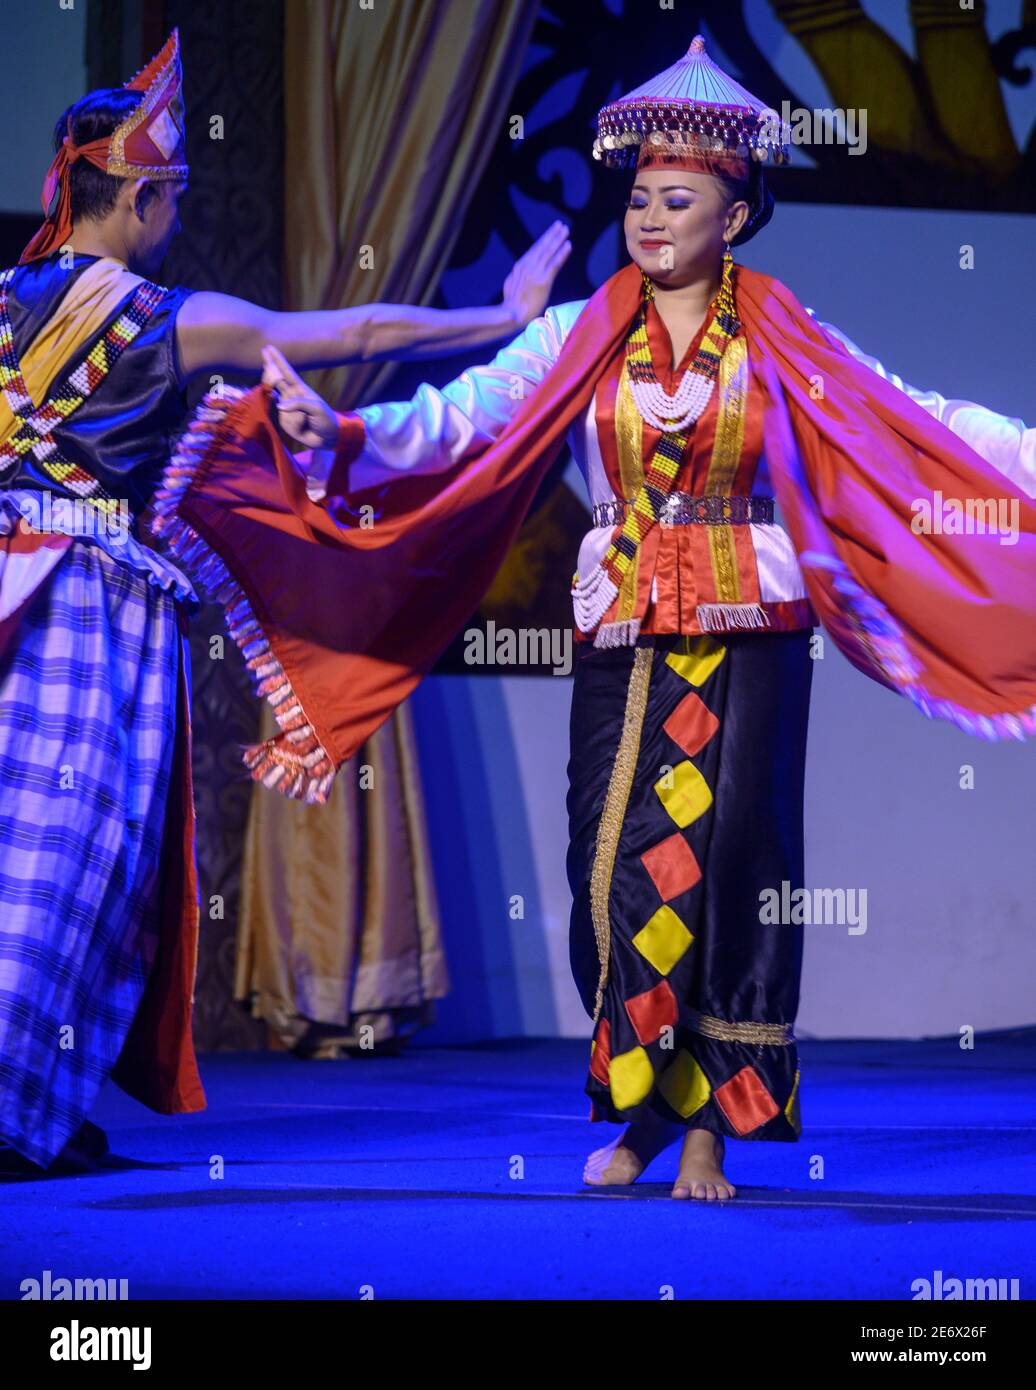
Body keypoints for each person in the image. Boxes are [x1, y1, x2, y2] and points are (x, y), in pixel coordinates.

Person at [161, 36, 1035, 1200]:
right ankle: (639, 1103)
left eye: (678, 199)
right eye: (638, 196)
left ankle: (714, 1123)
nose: (650, 216)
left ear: (735, 217)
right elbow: (471, 413)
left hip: (751, 622)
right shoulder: (585, 332)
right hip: (623, 615)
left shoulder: (778, 336)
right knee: (606, 863)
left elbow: (910, 419)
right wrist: (347, 437)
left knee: (735, 863)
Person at [0, 30, 570, 1174]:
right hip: (87, 600)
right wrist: (501, 321)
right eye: (174, 197)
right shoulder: (153, 318)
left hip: (13, 581)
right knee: (69, 854)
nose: (178, 218)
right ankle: (15, 1110)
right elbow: (346, 335)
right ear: (146, 195)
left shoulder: (12, 298)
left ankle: (41, 1102)